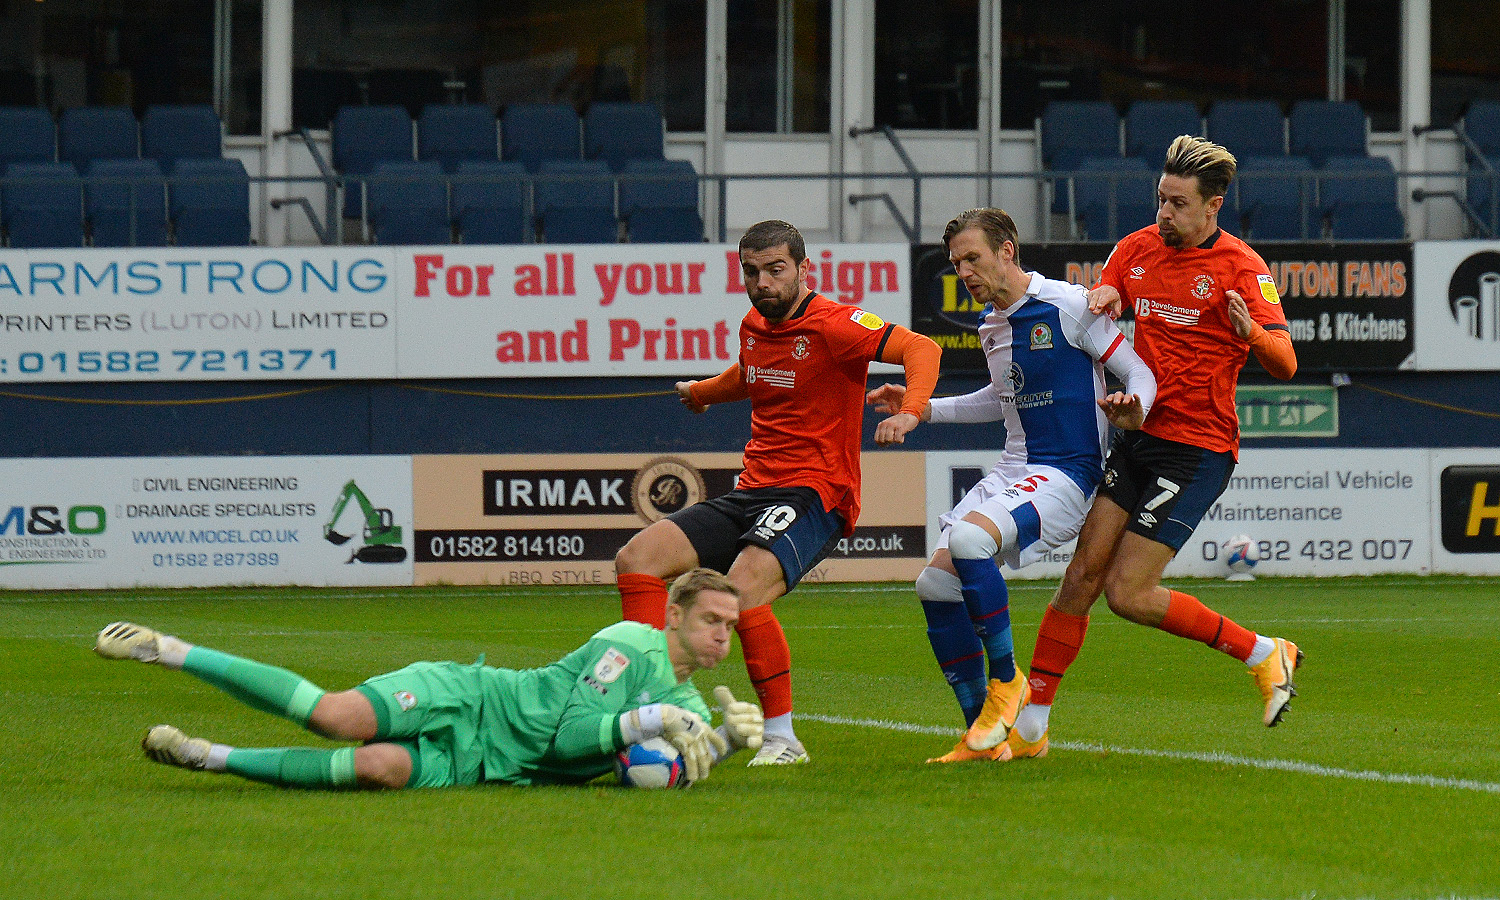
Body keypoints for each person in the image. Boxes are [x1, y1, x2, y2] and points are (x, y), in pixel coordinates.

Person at [1005, 135, 1303, 762]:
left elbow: (1287, 361)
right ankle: (1031, 726)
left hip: (1197, 449)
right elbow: (1106, 307)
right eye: (1160, 199)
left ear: (1212, 207)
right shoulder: (1136, 249)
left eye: (1177, 204)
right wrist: (1108, 298)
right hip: (1139, 436)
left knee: (1128, 594)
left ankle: (1263, 653)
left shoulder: (1242, 269)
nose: (1163, 213)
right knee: (1082, 576)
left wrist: (1252, 335)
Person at [615, 219, 942, 766]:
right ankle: (652, 700)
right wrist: (702, 394)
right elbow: (750, 374)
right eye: (751, 271)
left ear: (803, 269)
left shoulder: (837, 324)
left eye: (775, 270)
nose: (762, 282)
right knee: (637, 559)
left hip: (817, 491)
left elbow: (921, 347)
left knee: (740, 590)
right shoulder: (753, 323)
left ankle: (781, 737)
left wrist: (910, 412)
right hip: (754, 489)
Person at [867, 208, 1156, 763]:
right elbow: (995, 401)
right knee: (935, 586)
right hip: (1014, 471)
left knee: (970, 543)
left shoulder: (1070, 305)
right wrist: (918, 409)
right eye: (956, 265)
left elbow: (1139, 372)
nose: (965, 272)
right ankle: (986, 734)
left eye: (973, 258)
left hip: (1068, 472)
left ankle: (1009, 684)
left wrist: (1134, 407)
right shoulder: (991, 325)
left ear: (1008, 250)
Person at [94, 568, 765, 789]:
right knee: (335, 717)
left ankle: (206, 757)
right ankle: (173, 650)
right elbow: (566, 741)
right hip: (475, 699)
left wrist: (726, 742)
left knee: (376, 769)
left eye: (730, 626)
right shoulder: (625, 644)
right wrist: (652, 723)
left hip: (485, 765)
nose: (720, 635)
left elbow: (654, 772)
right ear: (673, 614)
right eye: (710, 619)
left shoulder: (682, 700)